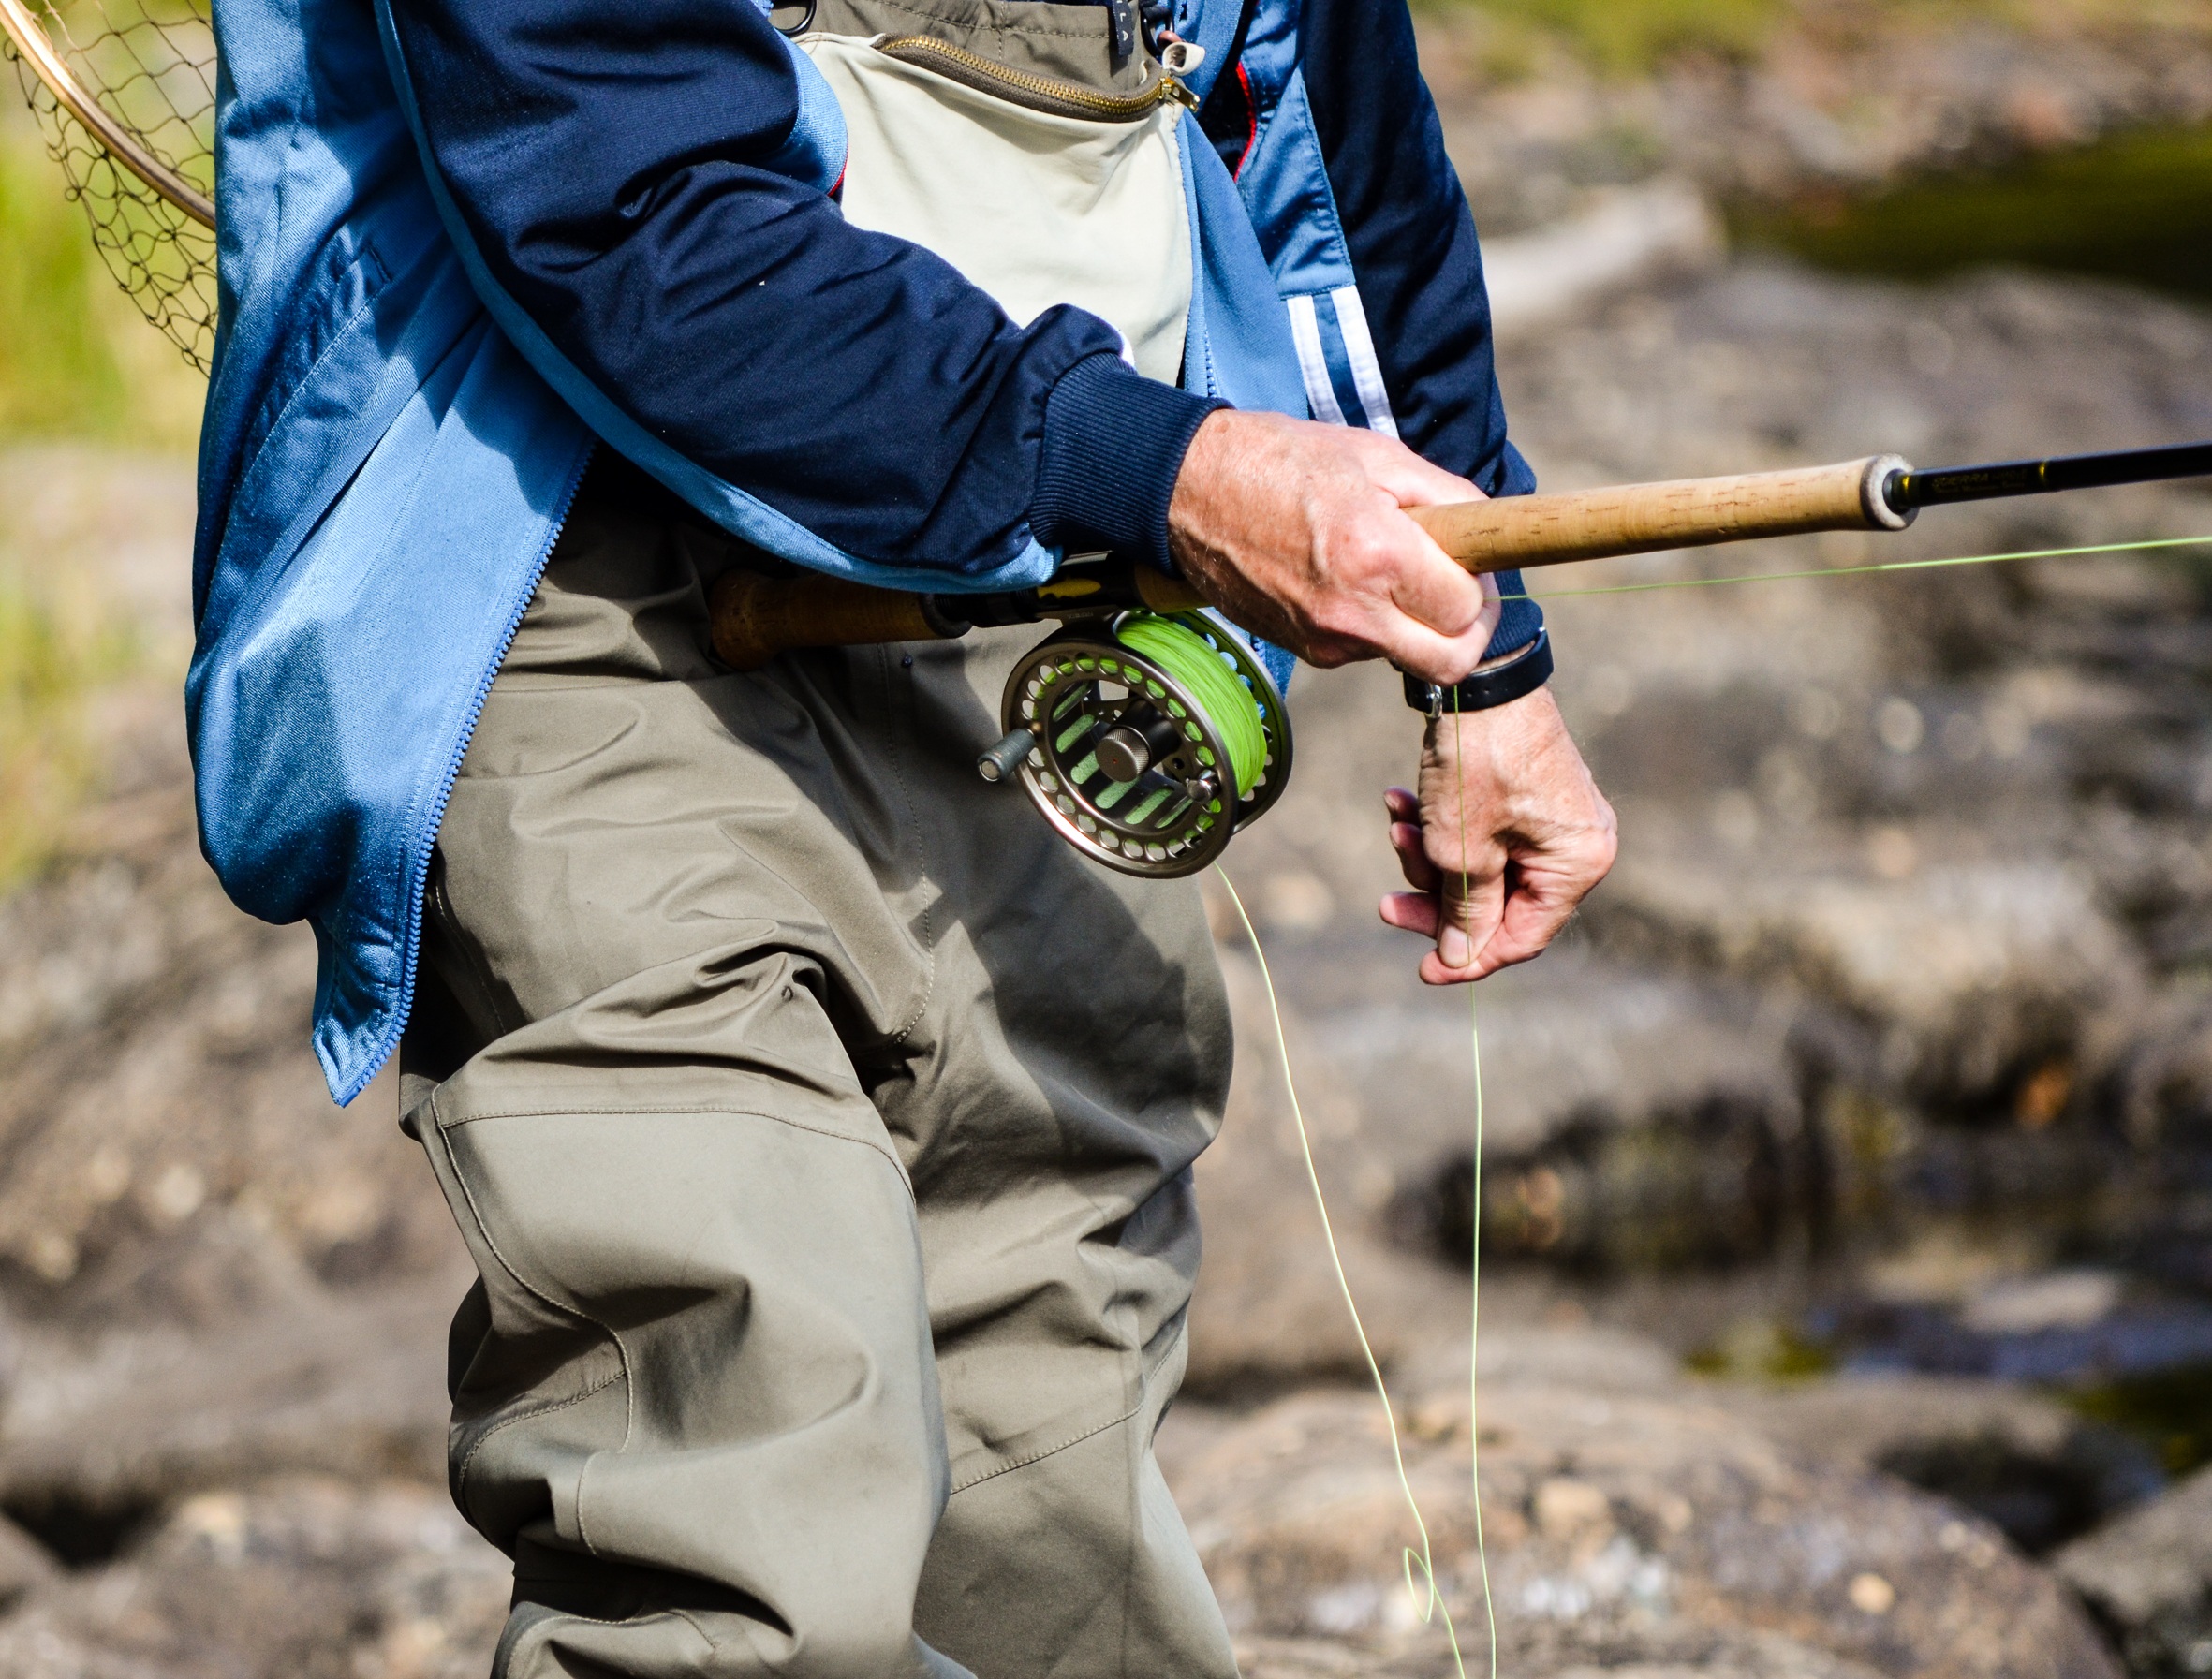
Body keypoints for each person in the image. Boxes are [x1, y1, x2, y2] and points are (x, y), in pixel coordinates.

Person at [188, 0, 1616, 1672]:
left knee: (1049, 1515)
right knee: (753, 1523)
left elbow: (1326, 111)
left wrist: (1486, 656)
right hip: (569, 569)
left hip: (1038, 579)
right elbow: (617, 188)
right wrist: (1167, 468)